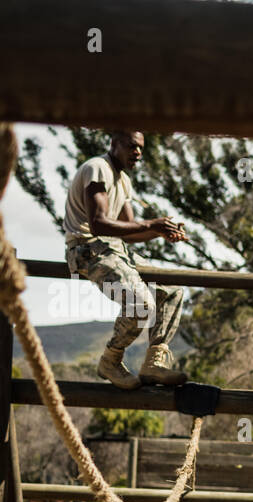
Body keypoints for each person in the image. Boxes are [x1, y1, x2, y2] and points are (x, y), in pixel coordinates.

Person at [63, 130, 190, 390]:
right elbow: (98, 224)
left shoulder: (123, 181)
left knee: (172, 289)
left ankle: (154, 363)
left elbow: (130, 231)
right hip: (88, 249)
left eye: (141, 148)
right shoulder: (97, 168)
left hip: (117, 249)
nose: (138, 153)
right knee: (141, 303)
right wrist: (151, 223)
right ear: (114, 143)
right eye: (132, 146)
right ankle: (111, 360)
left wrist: (159, 231)